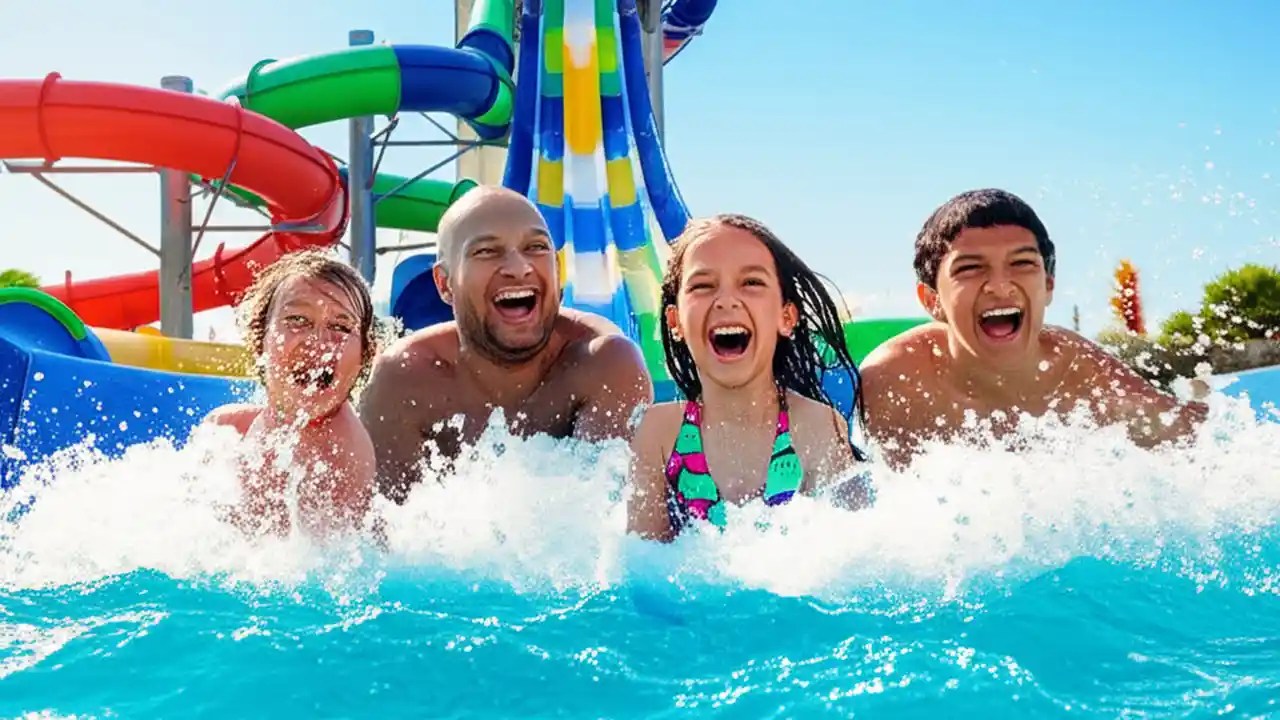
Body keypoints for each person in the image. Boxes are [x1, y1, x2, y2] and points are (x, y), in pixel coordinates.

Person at [859, 188, 1208, 469]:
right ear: (932, 299)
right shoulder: (894, 382)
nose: (999, 286)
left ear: (1049, 284)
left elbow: (1200, 442)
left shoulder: (1082, 375)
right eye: (969, 268)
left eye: (1022, 263)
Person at [358, 186, 654, 503]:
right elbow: (385, 541)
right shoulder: (407, 379)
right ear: (445, 284)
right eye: (486, 251)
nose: (518, 268)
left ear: (557, 271)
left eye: (536, 247)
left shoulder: (604, 363)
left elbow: (606, 525)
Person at [626, 214, 869, 543]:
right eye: (702, 286)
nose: (726, 300)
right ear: (675, 322)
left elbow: (850, 557)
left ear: (786, 317)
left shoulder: (816, 426)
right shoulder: (658, 435)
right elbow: (642, 569)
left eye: (751, 282)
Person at [202, 250, 377, 537]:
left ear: (364, 356)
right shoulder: (228, 430)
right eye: (297, 320)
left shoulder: (341, 451)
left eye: (341, 327)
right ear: (260, 339)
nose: (318, 341)